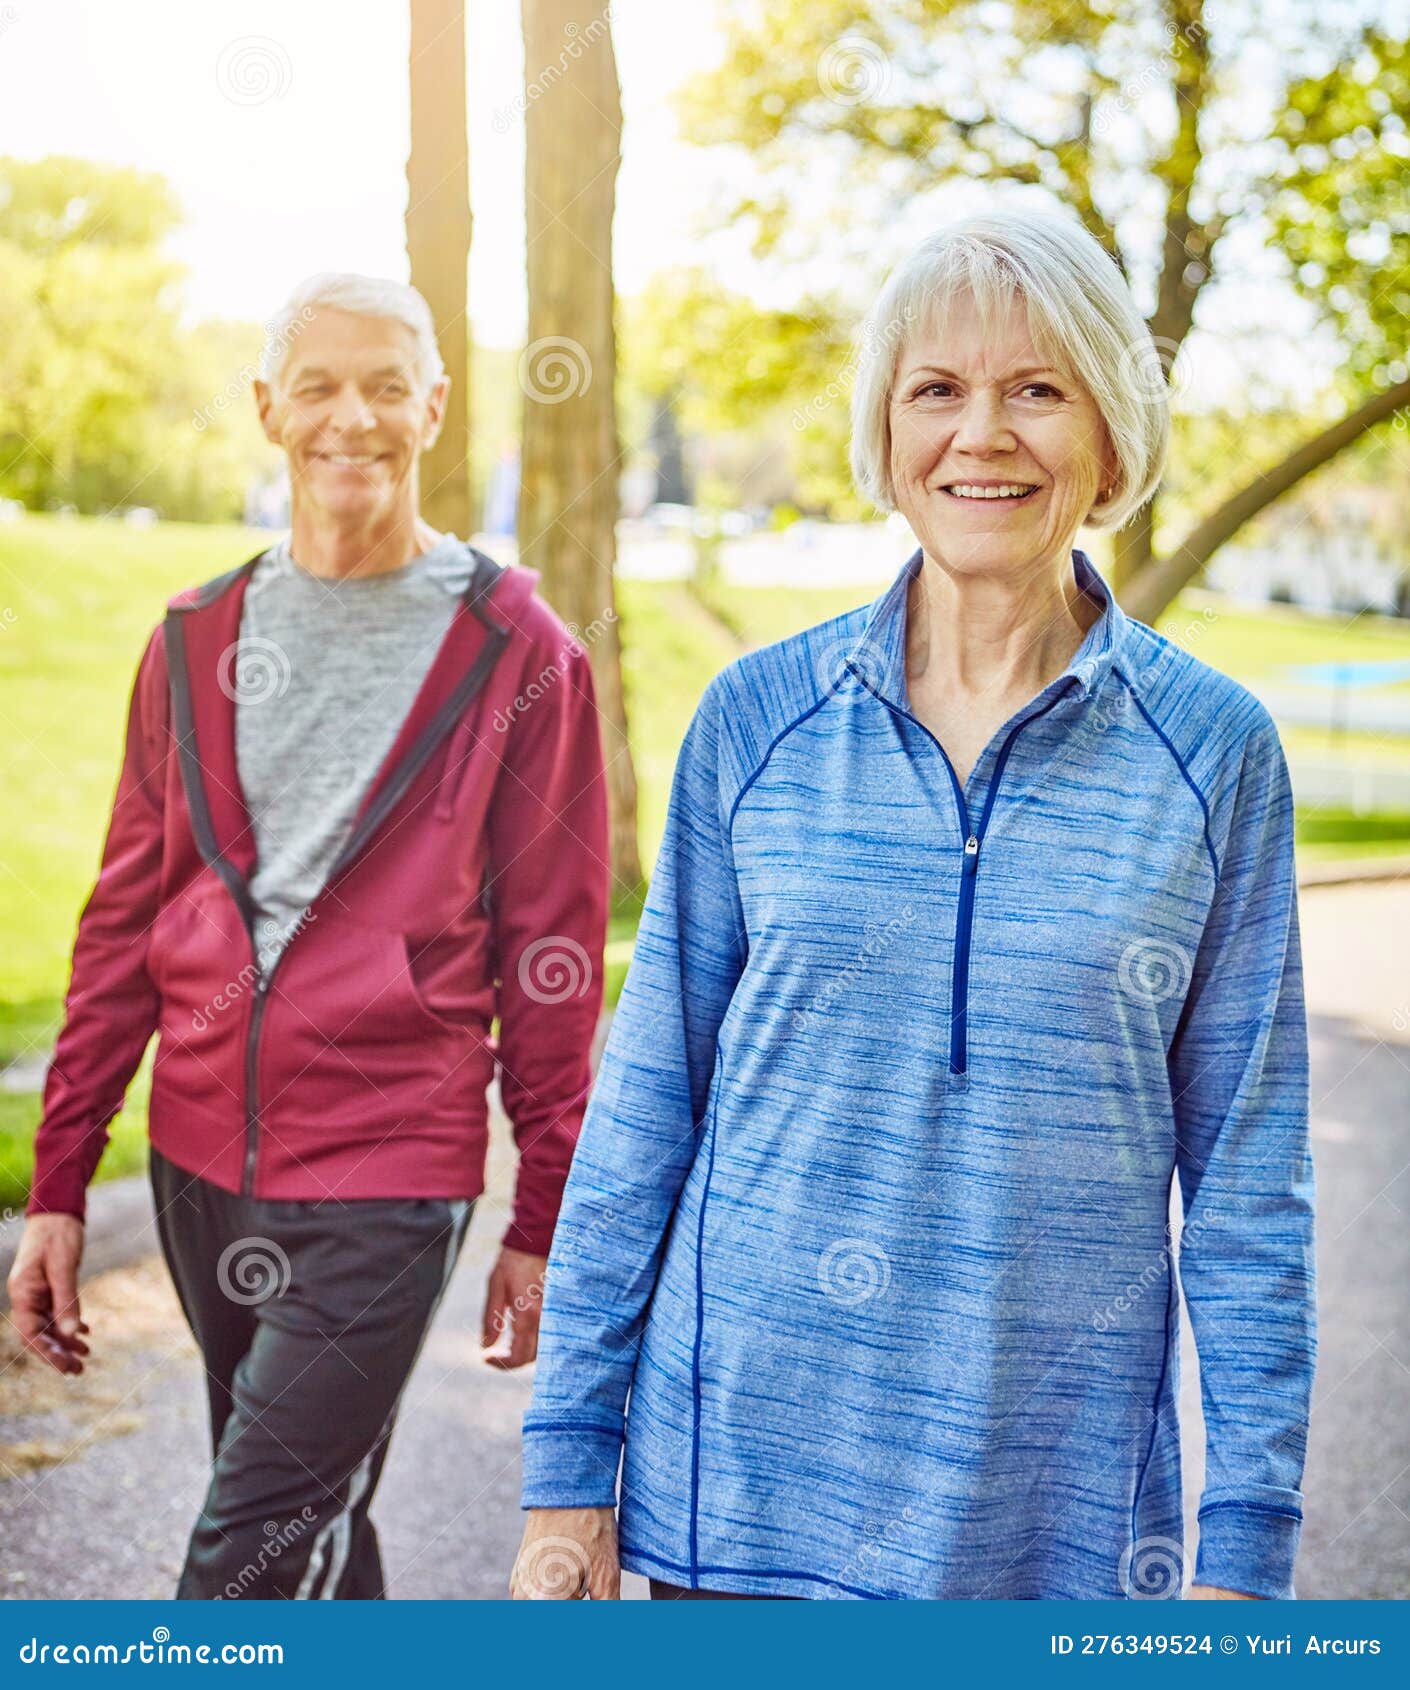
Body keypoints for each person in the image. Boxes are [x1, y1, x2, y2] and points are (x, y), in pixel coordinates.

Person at [510, 211, 1316, 1602]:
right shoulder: (756, 721)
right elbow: (643, 1111)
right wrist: (570, 1469)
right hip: (739, 1507)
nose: (980, 434)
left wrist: (1243, 1550)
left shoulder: (1214, 753)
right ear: (885, 439)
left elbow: (1248, 1187)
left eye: (1036, 390)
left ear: (1110, 437)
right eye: (935, 390)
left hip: (1047, 1536)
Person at [7, 273, 610, 1599]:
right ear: (269, 408)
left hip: (392, 1164)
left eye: (387, 384)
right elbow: (121, 923)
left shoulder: (515, 649)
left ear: (434, 407)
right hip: (197, 1155)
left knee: (241, 1558)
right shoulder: (194, 637)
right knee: (304, 1520)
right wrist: (59, 1182)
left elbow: (550, 960)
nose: (355, 417)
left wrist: (544, 1212)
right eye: (321, 386)